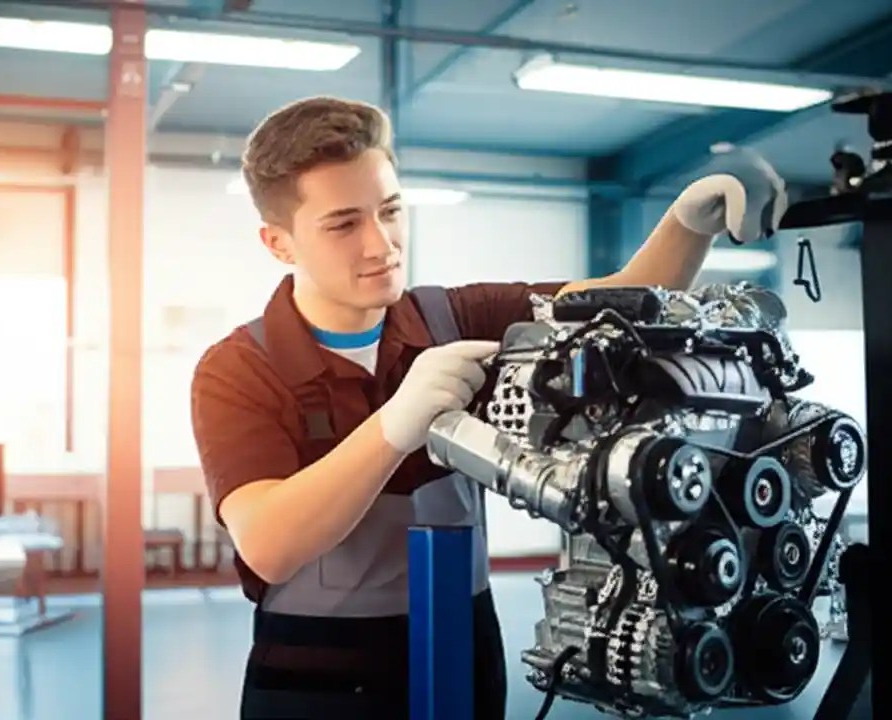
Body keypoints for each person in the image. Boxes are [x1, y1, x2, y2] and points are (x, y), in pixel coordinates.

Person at [189, 96, 785, 720]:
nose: (381, 243)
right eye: (343, 224)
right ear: (279, 244)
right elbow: (269, 545)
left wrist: (690, 222)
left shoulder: (455, 318)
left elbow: (617, 305)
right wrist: (394, 425)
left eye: (391, 211)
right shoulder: (239, 368)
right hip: (318, 680)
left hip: (466, 651)